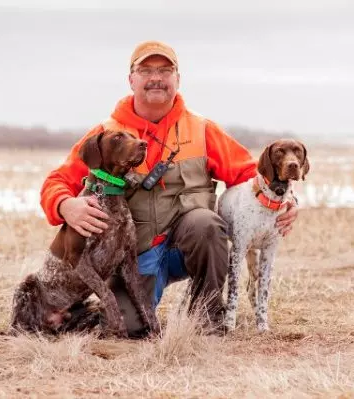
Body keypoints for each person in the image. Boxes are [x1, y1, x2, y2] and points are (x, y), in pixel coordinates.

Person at [40, 40, 298, 335]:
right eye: (146, 70)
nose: (156, 78)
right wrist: (66, 205)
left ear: (177, 79)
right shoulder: (106, 134)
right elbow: (56, 182)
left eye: (165, 70)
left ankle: (207, 317)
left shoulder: (201, 128)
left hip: (187, 244)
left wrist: (289, 202)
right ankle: (99, 315)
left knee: (208, 225)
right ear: (131, 79)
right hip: (137, 256)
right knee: (131, 329)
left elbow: (252, 175)